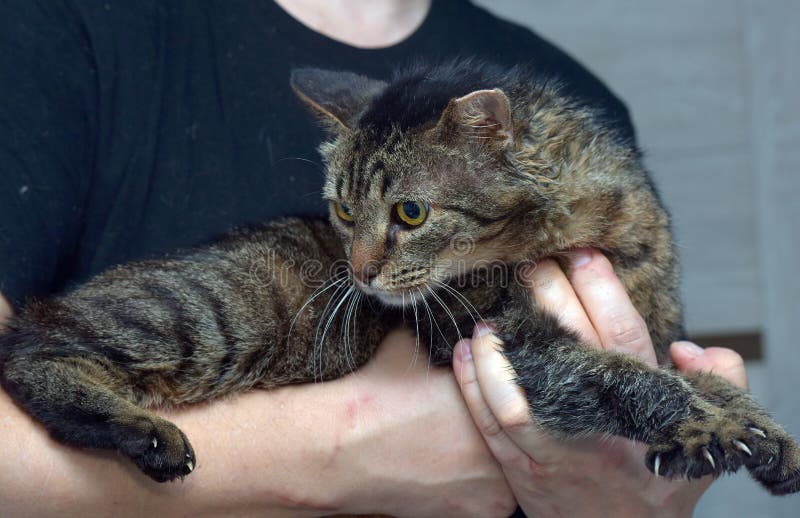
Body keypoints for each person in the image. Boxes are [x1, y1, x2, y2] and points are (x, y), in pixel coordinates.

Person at [0, 0, 747, 515]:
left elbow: (636, 481)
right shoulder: (65, 26)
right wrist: (344, 450)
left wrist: (636, 497)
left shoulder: (575, 110)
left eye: (408, 216)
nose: (361, 268)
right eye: (349, 216)